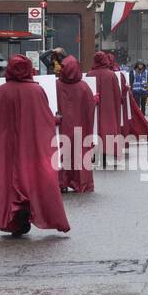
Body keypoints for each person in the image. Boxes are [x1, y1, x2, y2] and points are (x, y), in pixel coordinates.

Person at [0, 54, 70, 237]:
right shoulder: (36, 91)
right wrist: (55, 120)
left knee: (8, 182)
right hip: (31, 147)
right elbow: (45, 119)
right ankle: (39, 212)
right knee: (36, 180)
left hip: (7, 148)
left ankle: (13, 217)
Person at [55, 55, 95, 194]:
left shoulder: (57, 85)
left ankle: (62, 182)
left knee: (62, 153)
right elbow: (90, 109)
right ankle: (81, 182)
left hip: (62, 127)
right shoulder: (84, 87)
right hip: (80, 128)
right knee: (80, 154)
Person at [87, 51, 125, 164]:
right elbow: (117, 94)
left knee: (94, 129)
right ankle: (106, 153)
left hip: (94, 107)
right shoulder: (111, 75)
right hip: (108, 108)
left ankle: (93, 152)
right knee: (107, 129)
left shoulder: (89, 75)